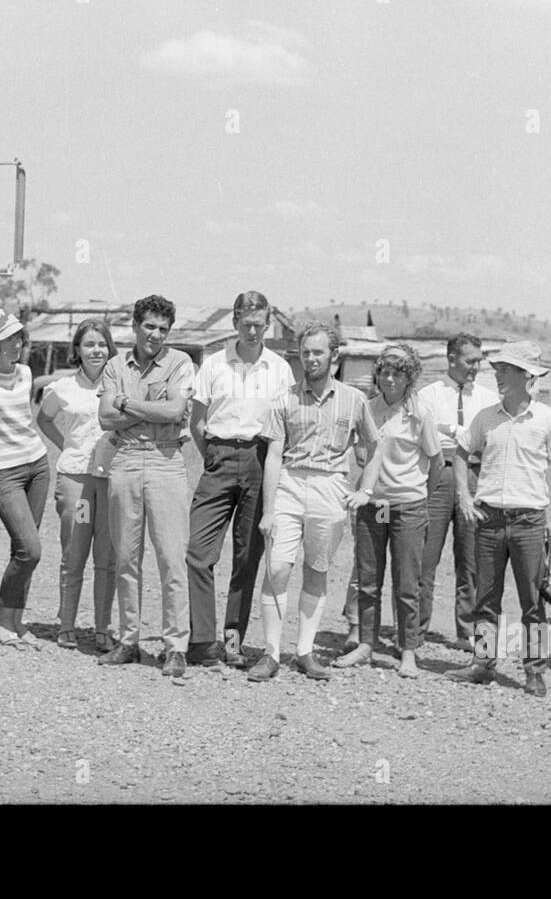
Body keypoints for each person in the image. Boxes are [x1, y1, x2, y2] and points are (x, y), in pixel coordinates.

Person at [246, 322, 367, 682]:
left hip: (331, 486)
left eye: (318, 352)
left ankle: (304, 652)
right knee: (278, 568)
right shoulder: (284, 399)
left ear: (334, 356)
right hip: (290, 483)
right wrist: (268, 510)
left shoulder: (354, 400)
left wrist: (365, 490)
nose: (311, 358)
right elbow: (273, 454)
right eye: (306, 352)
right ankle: (270, 654)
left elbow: (372, 448)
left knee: (316, 569)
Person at [445, 342, 551, 697]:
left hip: (530, 521)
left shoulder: (548, 419)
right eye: (497, 369)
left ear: (525, 375)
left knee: (533, 601)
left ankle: (535, 672)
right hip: (489, 520)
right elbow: (461, 452)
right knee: (486, 599)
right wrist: (464, 497)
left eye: (504, 369)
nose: (497, 375)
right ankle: (483, 664)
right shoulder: (486, 418)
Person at [186, 292, 295, 669]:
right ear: (234, 321)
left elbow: (285, 429)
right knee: (198, 553)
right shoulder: (214, 364)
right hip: (217, 457)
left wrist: (259, 463)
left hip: (260, 459)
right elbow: (196, 421)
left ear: (268, 324)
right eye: (246, 323)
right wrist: (213, 456)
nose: (252, 331)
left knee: (247, 557)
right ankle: (201, 641)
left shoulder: (280, 369)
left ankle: (232, 640)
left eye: (259, 324)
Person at [96, 294, 195, 677]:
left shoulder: (180, 363)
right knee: (126, 558)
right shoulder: (115, 365)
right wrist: (139, 409)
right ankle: (128, 640)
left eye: (163, 330)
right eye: (149, 326)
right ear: (135, 326)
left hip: (165, 459)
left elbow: (174, 412)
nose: (155, 335)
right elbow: (105, 419)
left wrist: (125, 403)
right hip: (124, 461)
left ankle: (175, 647)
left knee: (172, 558)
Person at [335, 343, 442, 678]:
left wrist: (421, 493)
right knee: (368, 578)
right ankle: (366, 643)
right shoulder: (368, 408)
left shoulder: (420, 413)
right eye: (385, 371)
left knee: (407, 583)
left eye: (398, 372)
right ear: (377, 374)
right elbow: (361, 452)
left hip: (408, 507)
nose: (391, 378)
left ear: (409, 376)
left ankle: (407, 650)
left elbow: (436, 462)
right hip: (376, 506)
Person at [36, 317, 119, 652]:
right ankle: (67, 623)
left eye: (101, 344)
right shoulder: (62, 388)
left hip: (110, 481)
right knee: (75, 551)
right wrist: (66, 444)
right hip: (77, 483)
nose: (96, 351)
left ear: (109, 348)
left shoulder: (119, 387)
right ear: (77, 350)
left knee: (107, 555)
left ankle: (102, 627)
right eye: (89, 345)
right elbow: (44, 418)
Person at [416, 332, 498, 650]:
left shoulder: (488, 398)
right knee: (425, 557)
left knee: (472, 560)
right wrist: (450, 430)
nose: (476, 367)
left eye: (479, 361)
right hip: (439, 475)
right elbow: (421, 430)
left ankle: (468, 632)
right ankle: (415, 630)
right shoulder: (430, 395)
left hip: (476, 477)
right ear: (451, 359)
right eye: (470, 361)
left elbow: (492, 436)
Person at [0, 309, 50, 649]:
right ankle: (0, 619)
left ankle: (14, 619)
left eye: (18, 338)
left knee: (21, 549)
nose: (17, 344)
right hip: (2, 471)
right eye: (9, 339)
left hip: (37, 465)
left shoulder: (25, 373)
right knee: (30, 550)